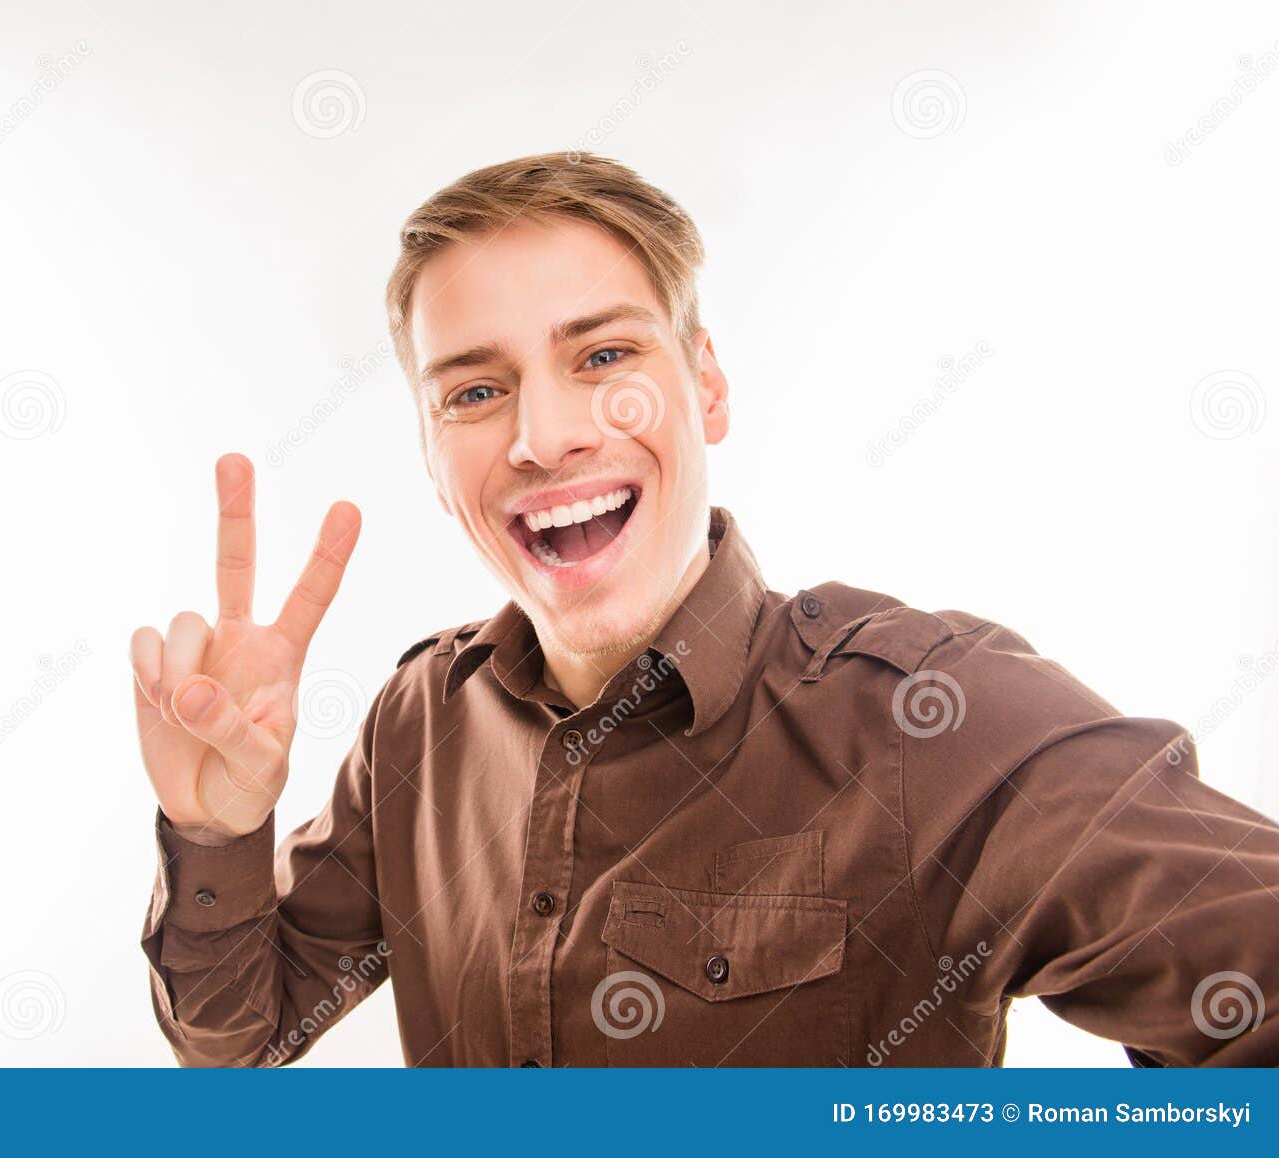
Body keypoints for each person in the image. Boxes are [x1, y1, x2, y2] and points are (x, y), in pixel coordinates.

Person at [131, 153, 1279, 1067]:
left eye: (603, 354)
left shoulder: (931, 718)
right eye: (476, 392)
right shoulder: (418, 725)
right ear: (435, 462)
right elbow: (245, 1041)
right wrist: (219, 830)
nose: (543, 437)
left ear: (707, 387)